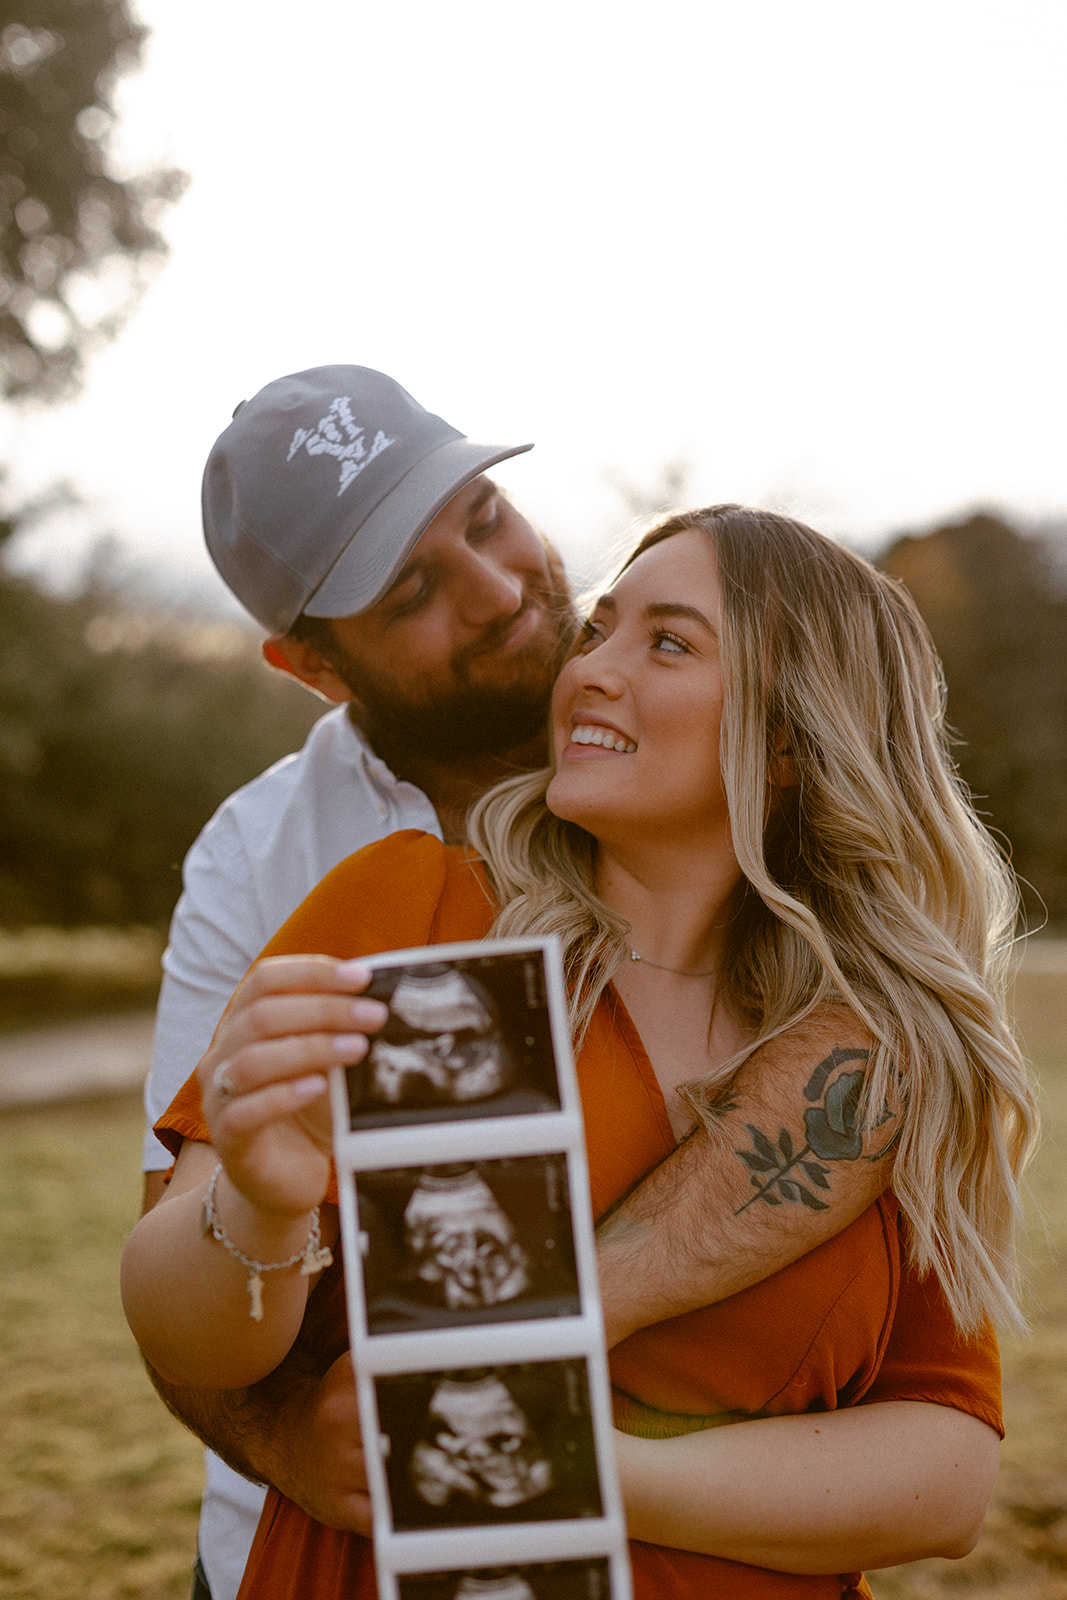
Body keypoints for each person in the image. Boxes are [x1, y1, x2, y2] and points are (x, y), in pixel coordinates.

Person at [124, 504, 1038, 1599]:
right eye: (598, 629)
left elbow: (943, 1483)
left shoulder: (888, 1059)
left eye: (665, 641)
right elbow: (187, 1336)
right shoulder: (414, 907)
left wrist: (567, 1464)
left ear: (790, 739)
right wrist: (259, 1207)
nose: (587, 668)